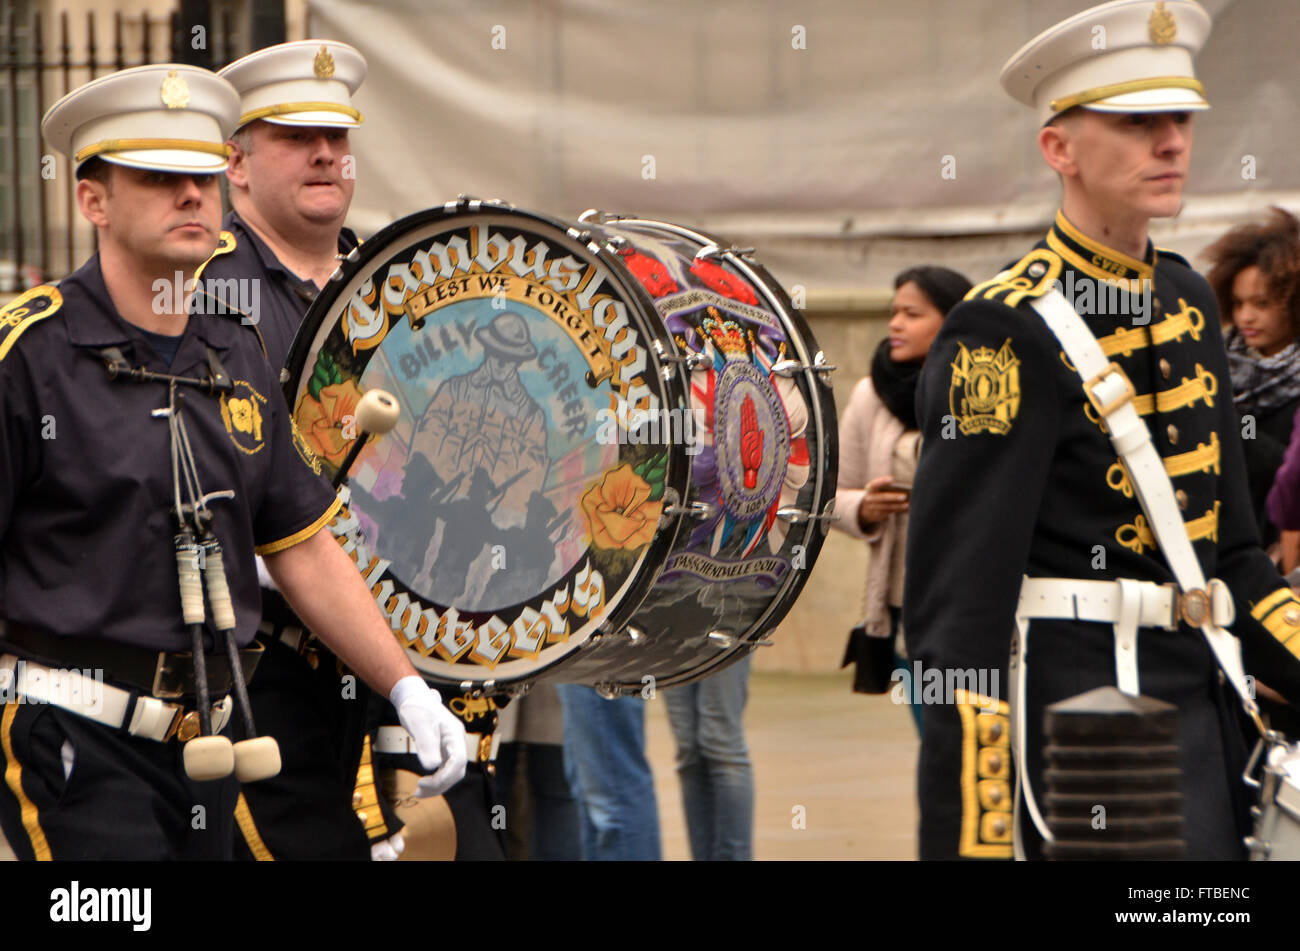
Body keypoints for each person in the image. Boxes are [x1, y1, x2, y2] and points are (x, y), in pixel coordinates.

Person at [0, 63, 465, 861]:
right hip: (73, 744)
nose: (190, 195)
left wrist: (405, 685)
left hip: (214, 745)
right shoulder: (28, 355)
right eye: (157, 176)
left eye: (203, 176)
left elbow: (303, 541)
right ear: (92, 200)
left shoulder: (232, 352)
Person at [904, 0, 1300, 861]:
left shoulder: (1189, 298)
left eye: (1180, 118)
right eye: (1135, 121)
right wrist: (969, 839)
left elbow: (1231, 553)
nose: (1172, 142)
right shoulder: (999, 330)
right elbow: (956, 618)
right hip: (1084, 733)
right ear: (1060, 148)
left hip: (1206, 710)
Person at [207, 40, 504, 861]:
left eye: (338, 137)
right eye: (297, 136)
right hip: (270, 670)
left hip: (415, 652)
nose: (327, 153)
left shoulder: (398, 285)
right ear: (235, 163)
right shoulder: (202, 293)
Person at [831, 266, 971, 734]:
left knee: (984, 738)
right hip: (904, 598)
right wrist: (863, 509)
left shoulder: (983, 390)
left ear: (952, 321)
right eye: (894, 312)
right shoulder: (872, 392)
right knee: (936, 738)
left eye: (912, 313)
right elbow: (835, 491)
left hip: (972, 594)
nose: (895, 324)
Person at [1204, 207, 1300, 553]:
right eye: (1238, 303)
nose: (1247, 316)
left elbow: (1289, 476)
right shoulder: (1215, 365)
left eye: (1262, 303)